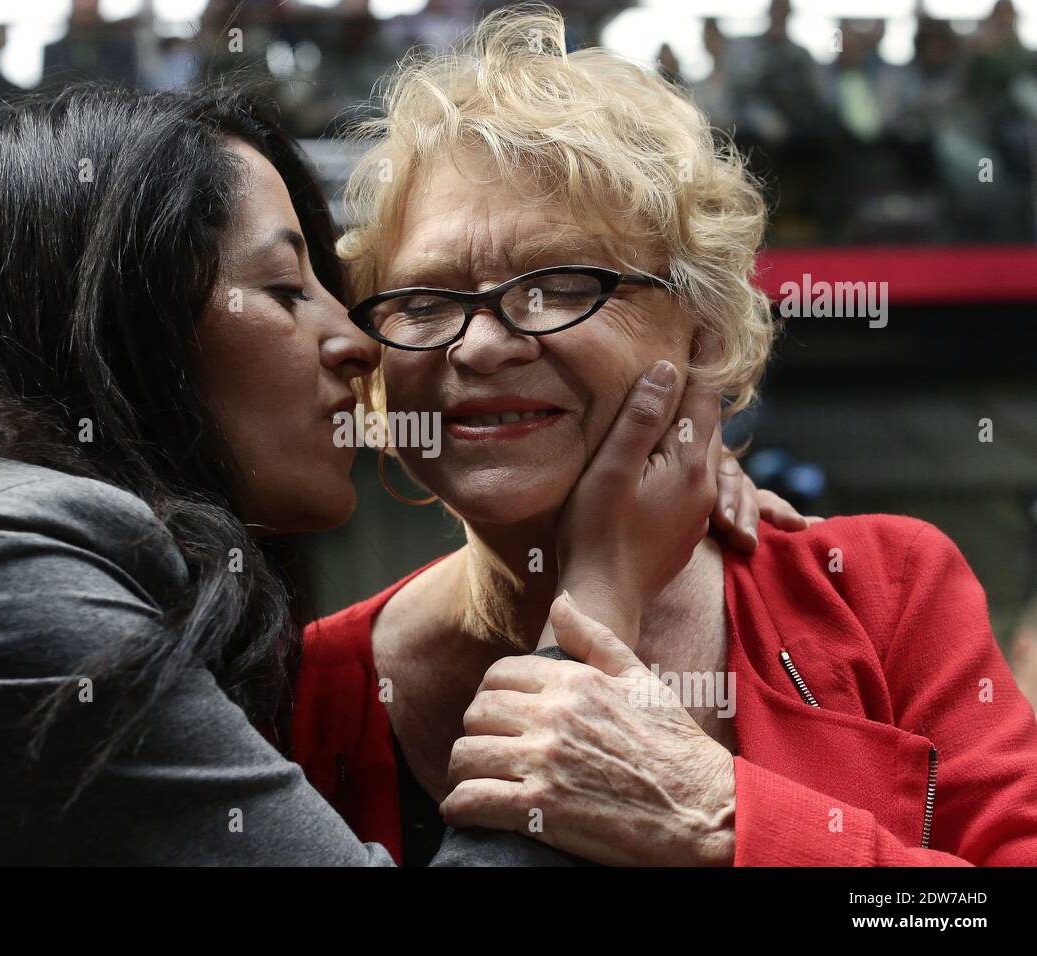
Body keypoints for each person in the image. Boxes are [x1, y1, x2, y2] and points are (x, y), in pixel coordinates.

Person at [0, 83, 636, 866]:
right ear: (126, 327)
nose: (357, 342)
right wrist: (597, 592)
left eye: (561, 289)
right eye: (286, 289)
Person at [291, 6, 1037, 866]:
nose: (482, 343)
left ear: (703, 332)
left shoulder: (881, 591)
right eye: (423, 303)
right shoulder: (310, 690)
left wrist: (718, 818)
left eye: (561, 284)